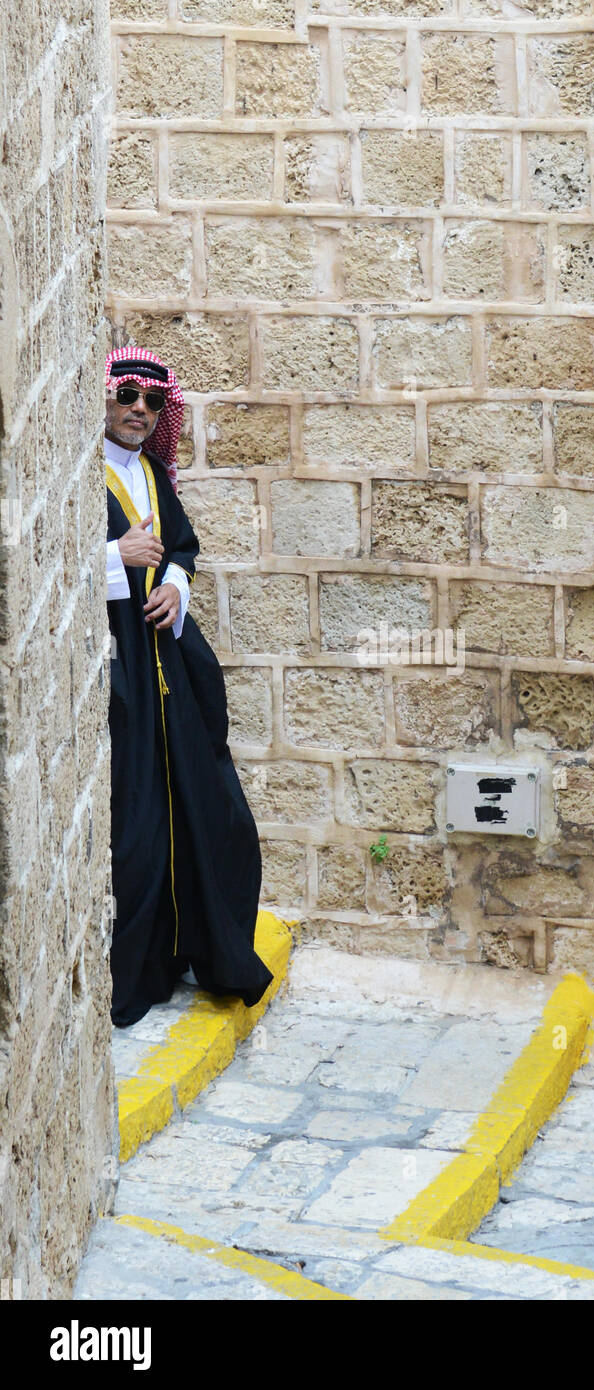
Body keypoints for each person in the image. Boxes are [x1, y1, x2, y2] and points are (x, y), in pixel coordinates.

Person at [104, 345, 272, 1027]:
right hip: (119, 675)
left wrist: (172, 584)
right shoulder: (76, 475)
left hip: (166, 669)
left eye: (151, 401)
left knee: (208, 811)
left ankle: (188, 953)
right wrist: (115, 559)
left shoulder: (148, 474)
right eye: (127, 395)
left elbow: (182, 549)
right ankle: (132, 974)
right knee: (136, 828)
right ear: (106, 398)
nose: (139, 410)